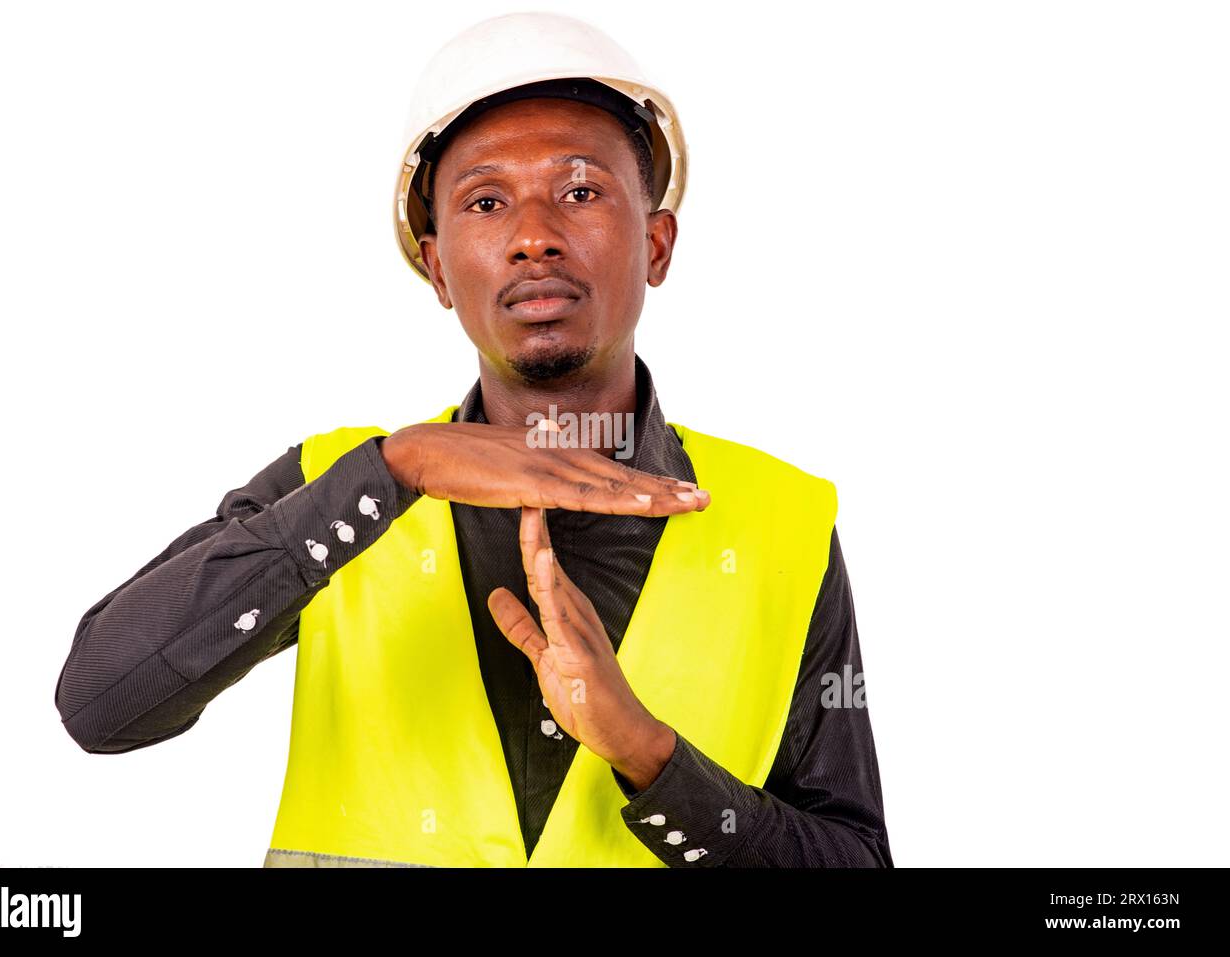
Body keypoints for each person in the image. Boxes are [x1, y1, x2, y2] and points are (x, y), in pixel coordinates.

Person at [55, 11, 893, 868]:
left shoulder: (780, 522)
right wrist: (392, 472)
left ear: (655, 242)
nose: (534, 235)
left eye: (579, 191)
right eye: (486, 202)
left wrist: (652, 756)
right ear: (439, 269)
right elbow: (102, 703)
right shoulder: (334, 483)